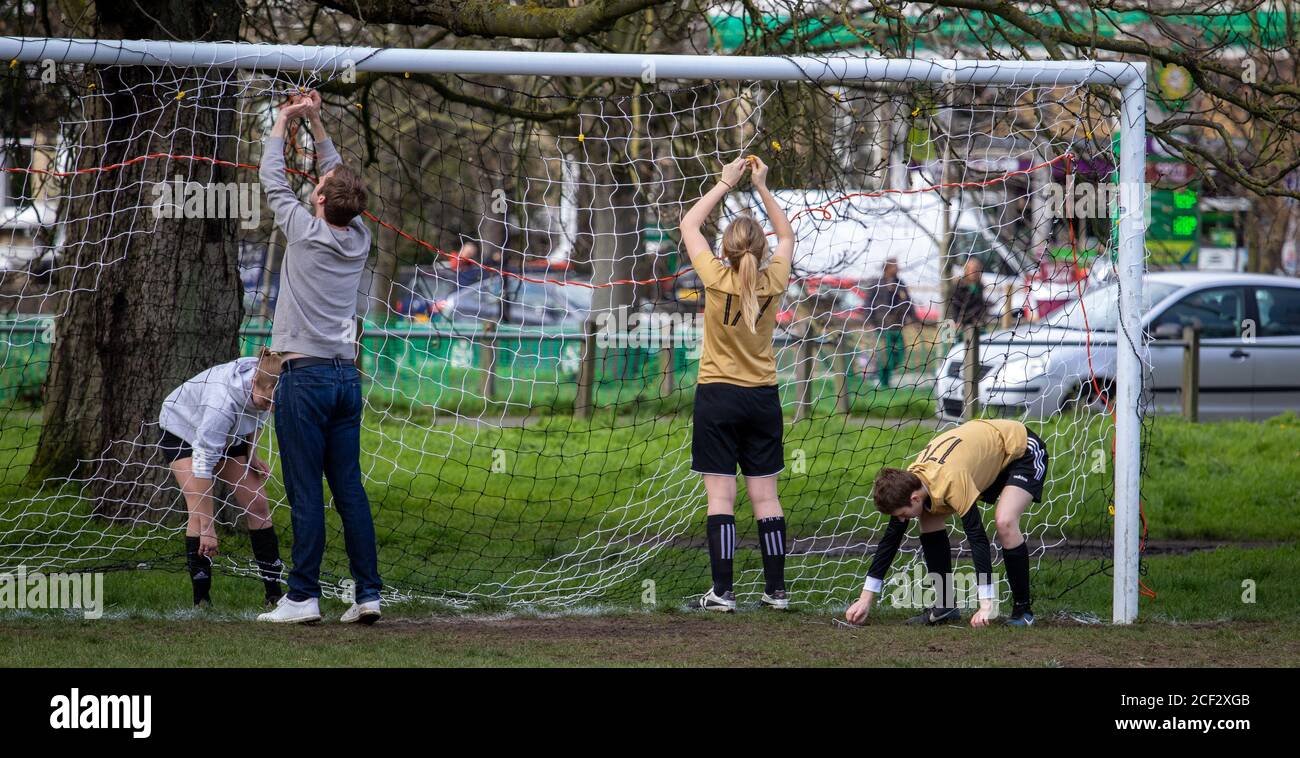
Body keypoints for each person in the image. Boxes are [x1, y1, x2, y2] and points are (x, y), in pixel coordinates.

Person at [256, 90, 382, 625]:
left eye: (320, 188)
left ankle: (303, 596)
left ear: (321, 203)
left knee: (306, 489)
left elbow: (271, 177)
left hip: (304, 378)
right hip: (345, 379)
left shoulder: (304, 231)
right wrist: (316, 121)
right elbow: (341, 179)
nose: (316, 185)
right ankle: (368, 594)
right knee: (348, 488)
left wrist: (285, 120)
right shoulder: (360, 236)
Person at [678, 154, 796, 612]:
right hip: (763, 399)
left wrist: (725, 183)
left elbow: (690, 225)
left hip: (718, 397)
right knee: (766, 497)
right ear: (761, 250)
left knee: (721, 497)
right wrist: (762, 186)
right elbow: (786, 234)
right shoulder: (775, 278)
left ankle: (722, 593)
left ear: (725, 250)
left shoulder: (715, 277)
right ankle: (776, 592)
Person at [844, 419, 1047, 627]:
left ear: (914, 498)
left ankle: (1023, 611)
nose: (903, 519)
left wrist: (987, 605)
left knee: (1005, 521)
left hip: (1021, 449)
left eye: (904, 514)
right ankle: (945, 606)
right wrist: (865, 598)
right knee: (928, 515)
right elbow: (890, 540)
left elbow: (977, 538)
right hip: (987, 454)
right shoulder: (911, 480)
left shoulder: (953, 480)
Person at [158, 351, 284, 608]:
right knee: (198, 508)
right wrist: (209, 530)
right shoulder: (222, 402)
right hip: (183, 430)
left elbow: (257, 416)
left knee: (258, 503)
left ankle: (275, 596)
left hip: (228, 434)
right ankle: (201, 600)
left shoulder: (268, 382)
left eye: (275, 403)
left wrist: (252, 452)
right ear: (253, 385)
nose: (271, 407)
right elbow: (203, 463)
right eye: (268, 401)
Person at [863, 258, 916, 388]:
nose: (897, 268)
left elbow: (908, 302)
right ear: (887, 268)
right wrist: (869, 321)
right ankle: (884, 382)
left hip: (897, 325)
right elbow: (868, 303)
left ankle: (887, 374)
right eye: (894, 266)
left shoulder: (900, 283)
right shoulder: (876, 283)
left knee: (900, 352)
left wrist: (913, 318)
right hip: (880, 325)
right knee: (884, 355)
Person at [948, 257, 989, 329]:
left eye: (976, 270)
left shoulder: (979, 286)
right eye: (972, 270)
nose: (974, 273)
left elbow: (980, 305)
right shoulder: (960, 285)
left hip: (976, 323)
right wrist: (957, 321)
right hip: (960, 323)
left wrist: (980, 319)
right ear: (967, 270)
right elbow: (955, 305)